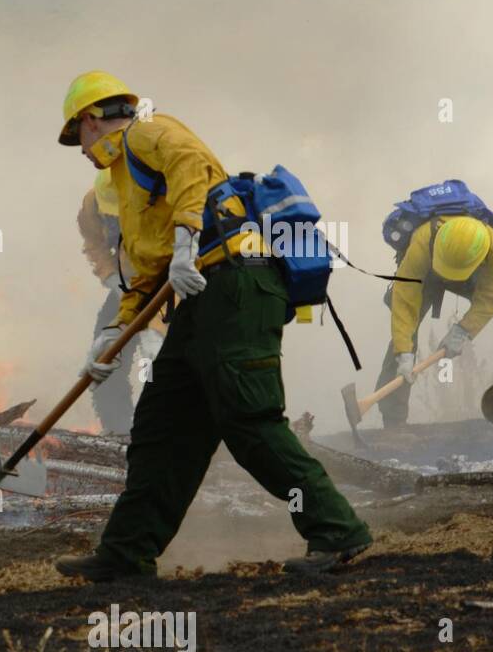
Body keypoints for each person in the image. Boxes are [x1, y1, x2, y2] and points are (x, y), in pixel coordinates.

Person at [51, 71, 371, 581]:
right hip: (200, 300)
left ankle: (337, 530)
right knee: (163, 427)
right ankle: (127, 552)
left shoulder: (147, 130)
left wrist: (185, 241)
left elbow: (190, 165)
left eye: (78, 139)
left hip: (237, 283)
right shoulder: (125, 186)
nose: (82, 152)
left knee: (249, 418)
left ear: (90, 121)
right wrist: (114, 333)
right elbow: (147, 274)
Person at [376, 215, 493, 426]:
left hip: (474, 271)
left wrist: (463, 330)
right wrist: (403, 351)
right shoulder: (423, 240)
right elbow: (404, 301)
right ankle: (393, 422)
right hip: (428, 271)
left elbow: (490, 297)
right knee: (403, 338)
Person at [77, 169, 164, 434]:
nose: (115, 218)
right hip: (125, 285)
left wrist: (155, 330)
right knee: (105, 360)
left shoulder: (159, 207)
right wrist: (111, 278)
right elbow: (94, 244)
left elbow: (179, 271)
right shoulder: (93, 204)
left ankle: (169, 437)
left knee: (166, 367)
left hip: (168, 289)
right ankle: (117, 434)